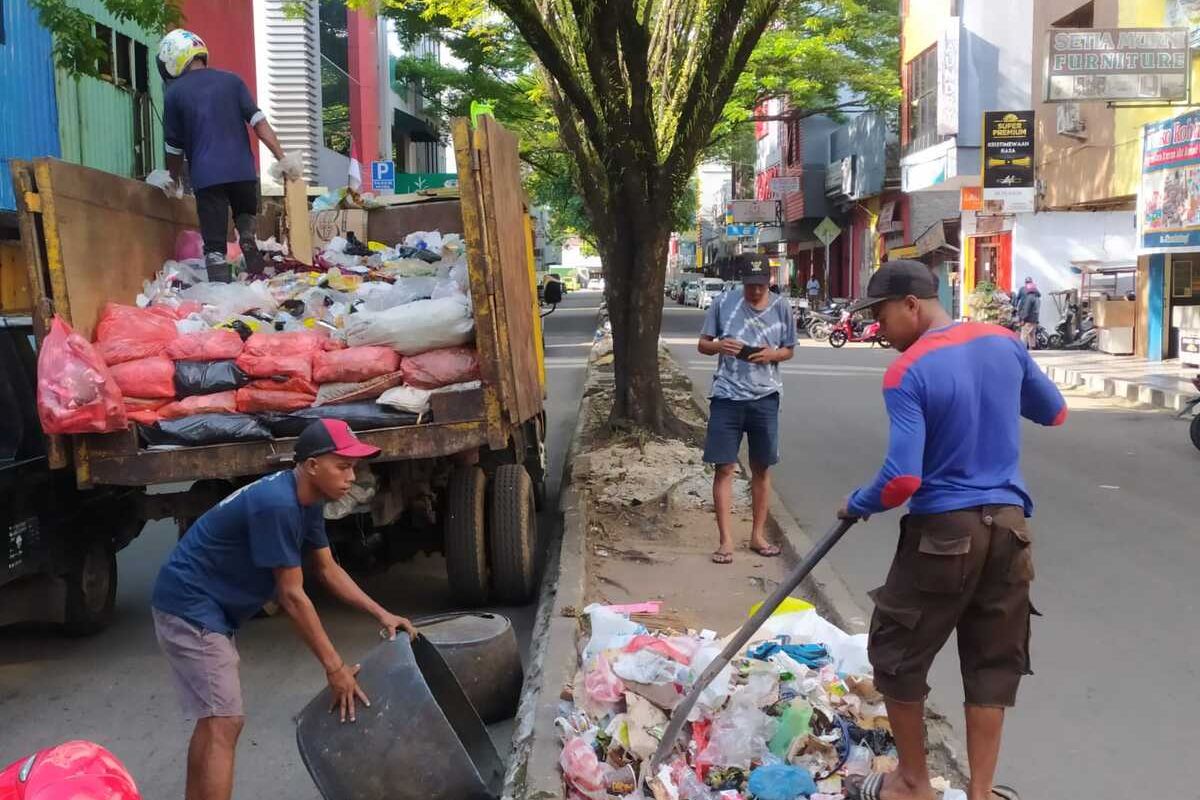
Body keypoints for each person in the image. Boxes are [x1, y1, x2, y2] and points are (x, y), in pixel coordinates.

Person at [837, 260, 1067, 800]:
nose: (877, 328)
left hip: (945, 531)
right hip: (1011, 528)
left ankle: (913, 782)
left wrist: (856, 503)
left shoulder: (909, 371)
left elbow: (902, 478)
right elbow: (1054, 412)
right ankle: (980, 792)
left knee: (895, 654)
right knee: (991, 660)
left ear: (911, 305)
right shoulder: (1005, 343)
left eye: (881, 315)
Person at [151, 419, 417, 800]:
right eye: (341, 466)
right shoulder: (277, 505)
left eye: (353, 467)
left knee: (215, 720)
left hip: (201, 607)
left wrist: (381, 613)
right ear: (311, 465)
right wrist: (335, 668)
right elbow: (292, 596)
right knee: (224, 720)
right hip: (188, 606)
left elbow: (328, 569)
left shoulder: (306, 501)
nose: (351, 476)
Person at [157, 29, 302, 282]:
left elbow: (173, 147)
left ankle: (222, 300)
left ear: (173, 59)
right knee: (245, 216)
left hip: (207, 176)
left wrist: (174, 178)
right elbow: (259, 122)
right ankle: (247, 239)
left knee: (214, 248)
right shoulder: (232, 81)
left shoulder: (174, 93)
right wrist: (282, 158)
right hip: (243, 173)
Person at [697, 255, 797, 564]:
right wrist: (719, 346)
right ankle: (725, 541)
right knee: (724, 467)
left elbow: (789, 349)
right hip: (726, 397)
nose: (755, 292)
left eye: (761, 286)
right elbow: (703, 344)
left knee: (761, 468)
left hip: (765, 397)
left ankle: (757, 535)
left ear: (769, 281)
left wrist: (772, 354)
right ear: (742, 283)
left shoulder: (782, 307)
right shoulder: (723, 303)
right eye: (750, 286)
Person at [1016, 278, 1042, 350]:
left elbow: (1026, 310)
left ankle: (1022, 349)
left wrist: (1023, 319)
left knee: (1024, 334)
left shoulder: (1029, 298)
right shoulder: (1037, 298)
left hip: (1028, 319)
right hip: (1035, 319)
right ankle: (1032, 348)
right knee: (1032, 334)